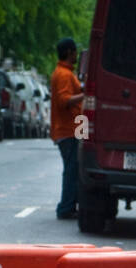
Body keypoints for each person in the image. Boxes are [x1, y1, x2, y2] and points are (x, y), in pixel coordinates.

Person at [50, 37, 84, 220]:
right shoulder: (63, 74)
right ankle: (66, 207)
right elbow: (64, 101)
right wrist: (84, 95)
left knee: (75, 169)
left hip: (76, 127)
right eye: (75, 51)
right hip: (69, 129)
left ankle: (70, 205)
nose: (77, 55)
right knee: (72, 170)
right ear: (70, 52)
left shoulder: (67, 73)